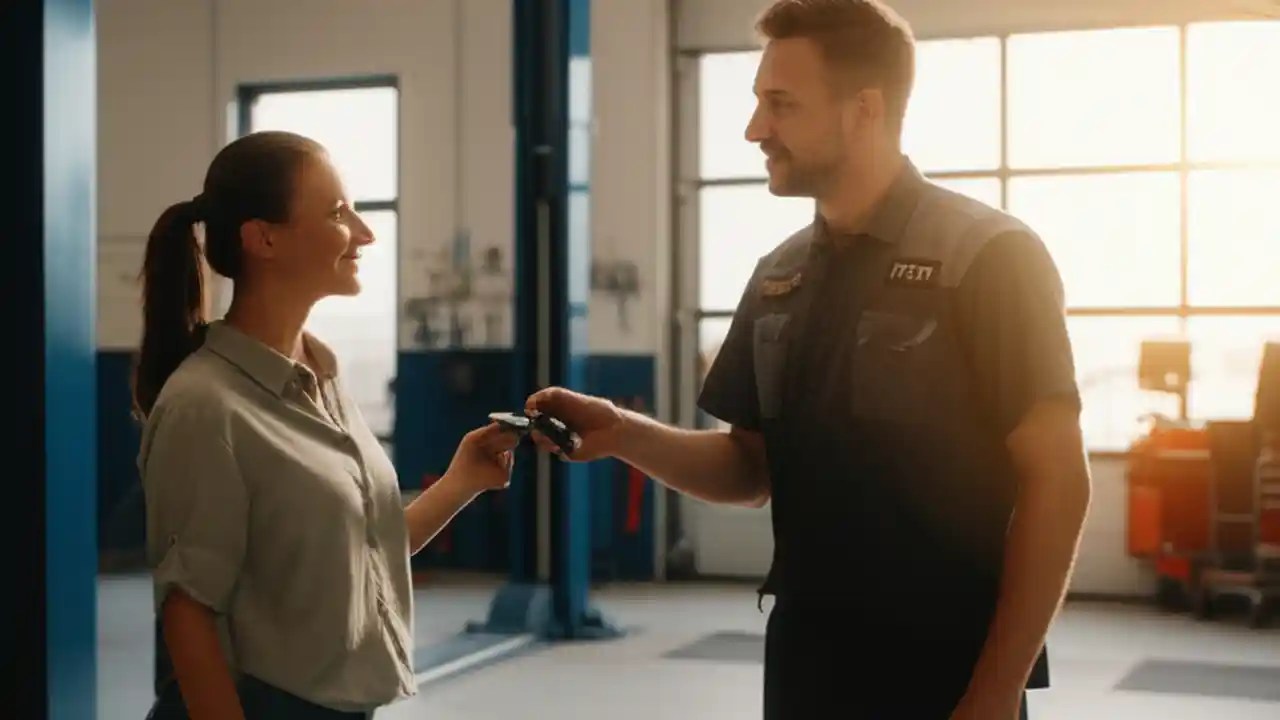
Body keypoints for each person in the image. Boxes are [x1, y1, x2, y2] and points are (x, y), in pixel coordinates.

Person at [524, 1, 1091, 718]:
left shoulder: (986, 259)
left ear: (864, 109)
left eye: (780, 105)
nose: (755, 129)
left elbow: (1059, 482)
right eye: (759, 103)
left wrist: (994, 692)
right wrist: (622, 433)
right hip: (805, 666)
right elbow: (750, 468)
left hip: (946, 668)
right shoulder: (778, 276)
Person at [134, 130, 518, 719]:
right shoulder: (205, 406)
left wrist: (462, 480)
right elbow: (188, 615)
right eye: (339, 213)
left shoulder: (322, 376)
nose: (364, 233)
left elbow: (366, 546)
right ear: (263, 238)